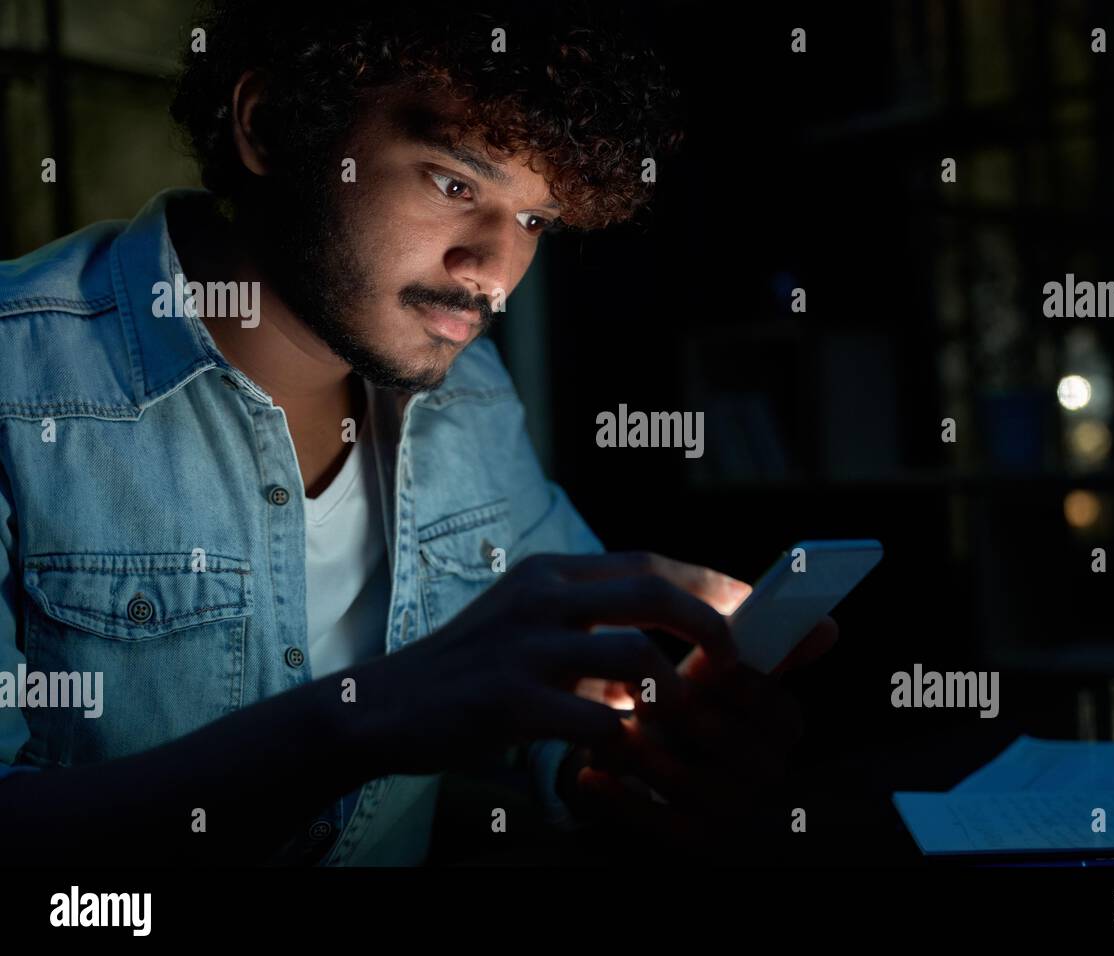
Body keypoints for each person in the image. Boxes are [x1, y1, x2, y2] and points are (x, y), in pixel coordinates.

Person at [0, 0, 835, 865]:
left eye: (536, 221)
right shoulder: (16, 378)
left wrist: (611, 760)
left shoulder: (466, 388)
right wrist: (367, 717)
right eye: (453, 184)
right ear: (270, 125)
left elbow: (550, 702)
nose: (495, 272)